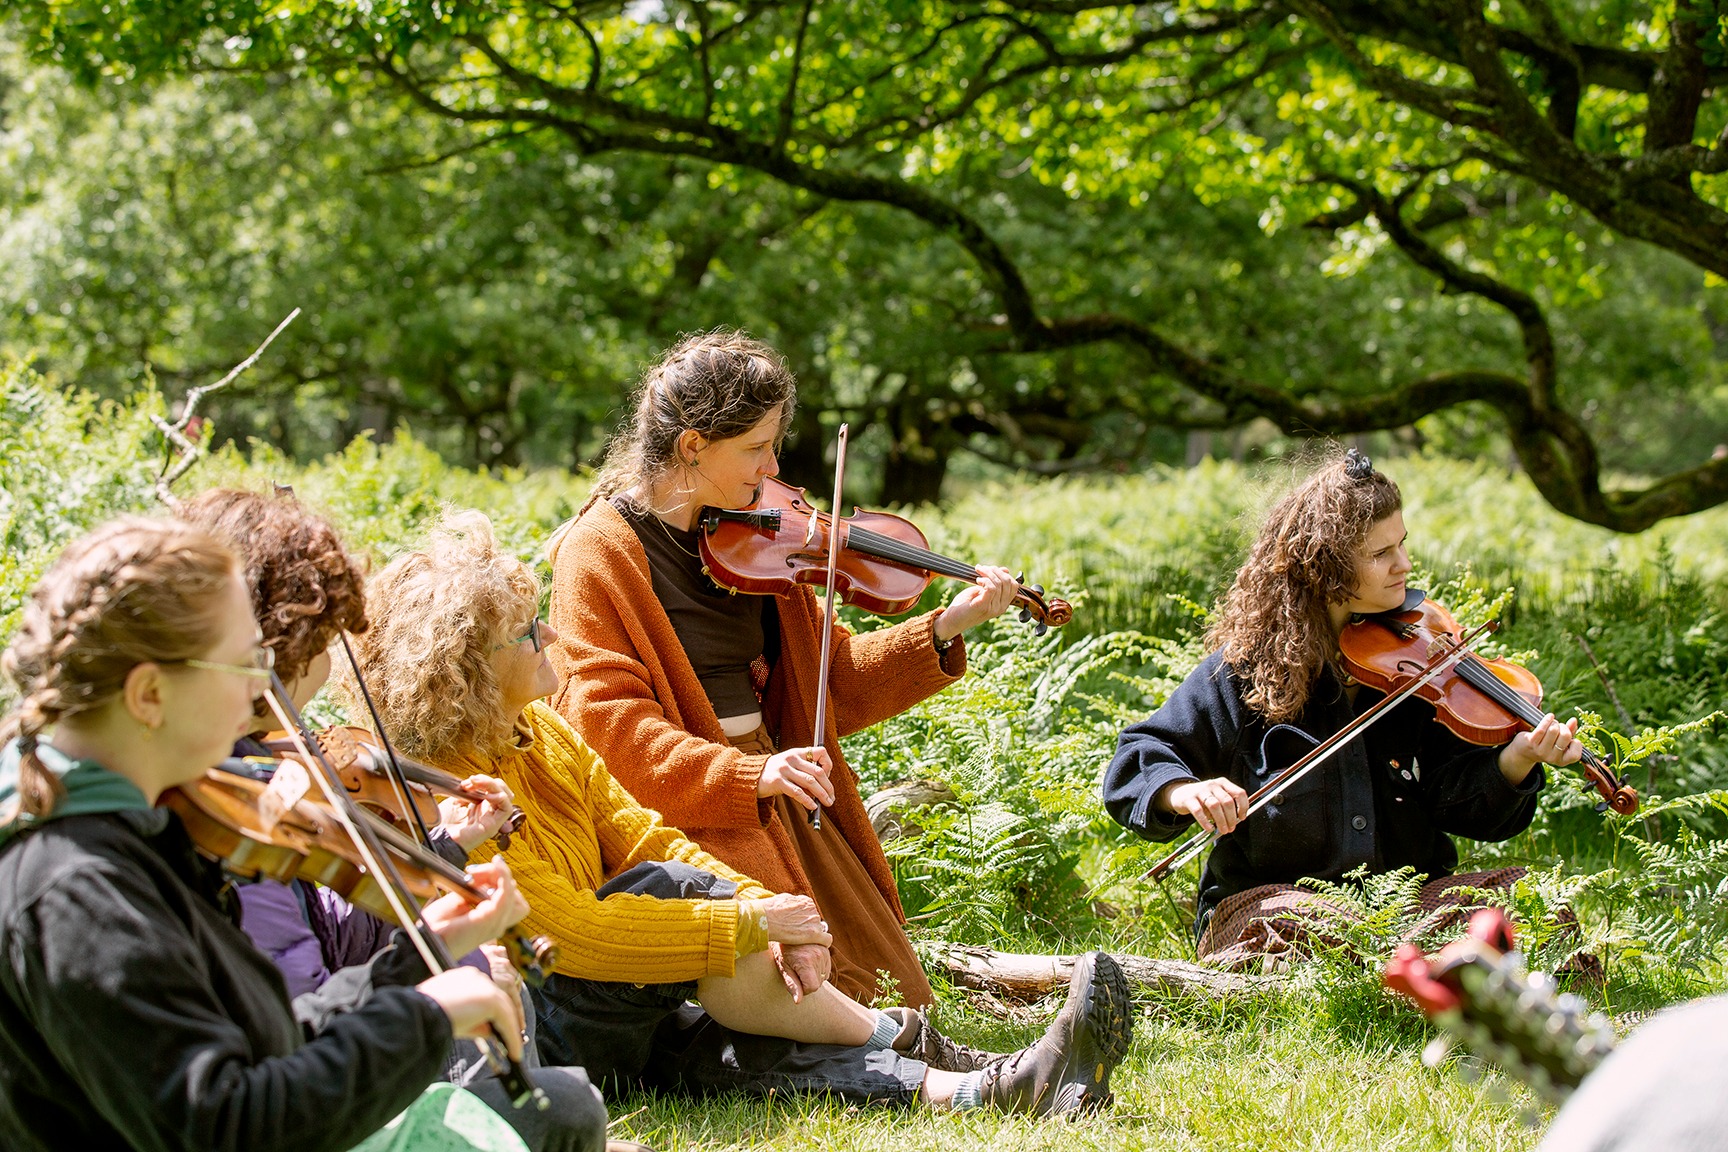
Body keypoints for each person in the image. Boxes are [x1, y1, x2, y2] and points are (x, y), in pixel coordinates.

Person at [343, 510, 1133, 1116]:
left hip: (610, 1010)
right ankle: (942, 1048)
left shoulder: (540, 731)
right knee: (666, 889)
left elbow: (640, 827)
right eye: (525, 631)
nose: (549, 631)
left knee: (739, 1050)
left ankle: (977, 1089)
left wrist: (763, 905)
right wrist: (750, 924)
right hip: (542, 1020)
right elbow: (570, 938)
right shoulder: (442, 787)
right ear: (470, 671)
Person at [0, 516, 592, 1152]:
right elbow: (226, 1125)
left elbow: (262, 1038)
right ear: (149, 696)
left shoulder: (138, 832)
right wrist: (423, 1015)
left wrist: (419, 954)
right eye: (244, 663)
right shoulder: (80, 891)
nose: (263, 691)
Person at [543, 331, 1018, 1009]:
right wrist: (747, 775)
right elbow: (607, 729)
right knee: (811, 999)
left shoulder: (762, 537)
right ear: (692, 446)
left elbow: (834, 680)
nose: (773, 466)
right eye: (756, 447)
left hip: (776, 792)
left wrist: (943, 628)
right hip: (687, 809)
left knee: (897, 995)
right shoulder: (601, 553)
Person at [173, 488, 612, 1152]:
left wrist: (443, 852)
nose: (332, 656)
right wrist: (422, 982)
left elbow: (327, 938)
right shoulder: (221, 806)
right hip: (302, 1094)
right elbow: (296, 1023)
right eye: (326, 639)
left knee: (505, 1003)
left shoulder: (254, 777)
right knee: (564, 1104)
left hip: (311, 1057)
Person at [1102, 448, 1586, 967]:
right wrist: (1186, 791)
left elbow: (1457, 801)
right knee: (1294, 931)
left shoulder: (1424, 668)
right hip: (1276, 905)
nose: (1404, 566)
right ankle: (1417, 977)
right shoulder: (1244, 672)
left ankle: (1405, 973)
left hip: (1403, 908)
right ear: (1325, 568)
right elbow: (1140, 755)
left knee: (1531, 907)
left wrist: (1515, 762)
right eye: (1381, 555)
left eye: (1402, 545)